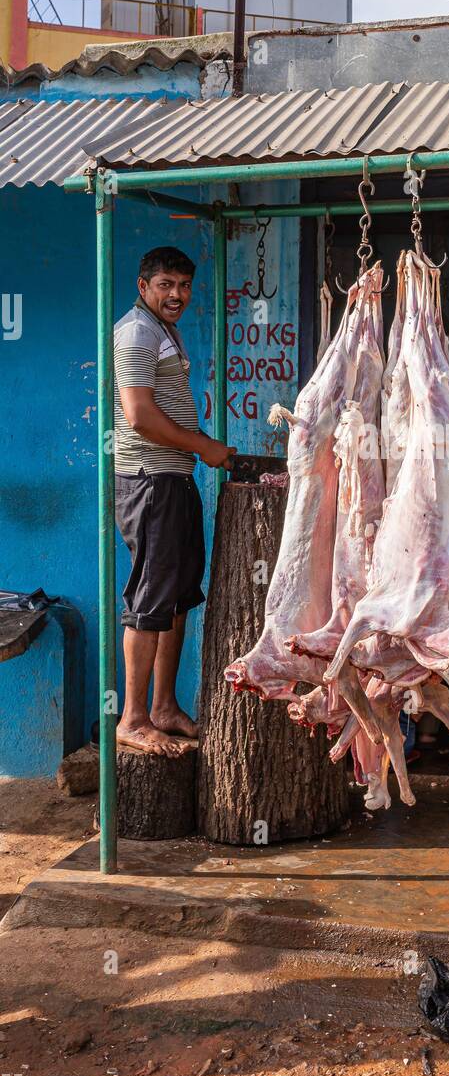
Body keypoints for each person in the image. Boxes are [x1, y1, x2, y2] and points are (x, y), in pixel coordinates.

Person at [113, 247, 235, 756]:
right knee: (150, 598)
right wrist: (203, 444)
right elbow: (139, 415)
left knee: (178, 596)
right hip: (149, 479)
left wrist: (197, 448)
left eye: (183, 286)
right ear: (143, 287)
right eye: (165, 284)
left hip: (173, 477)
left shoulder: (164, 332)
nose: (176, 295)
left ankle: (164, 706)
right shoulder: (137, 332)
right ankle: (133, 718)